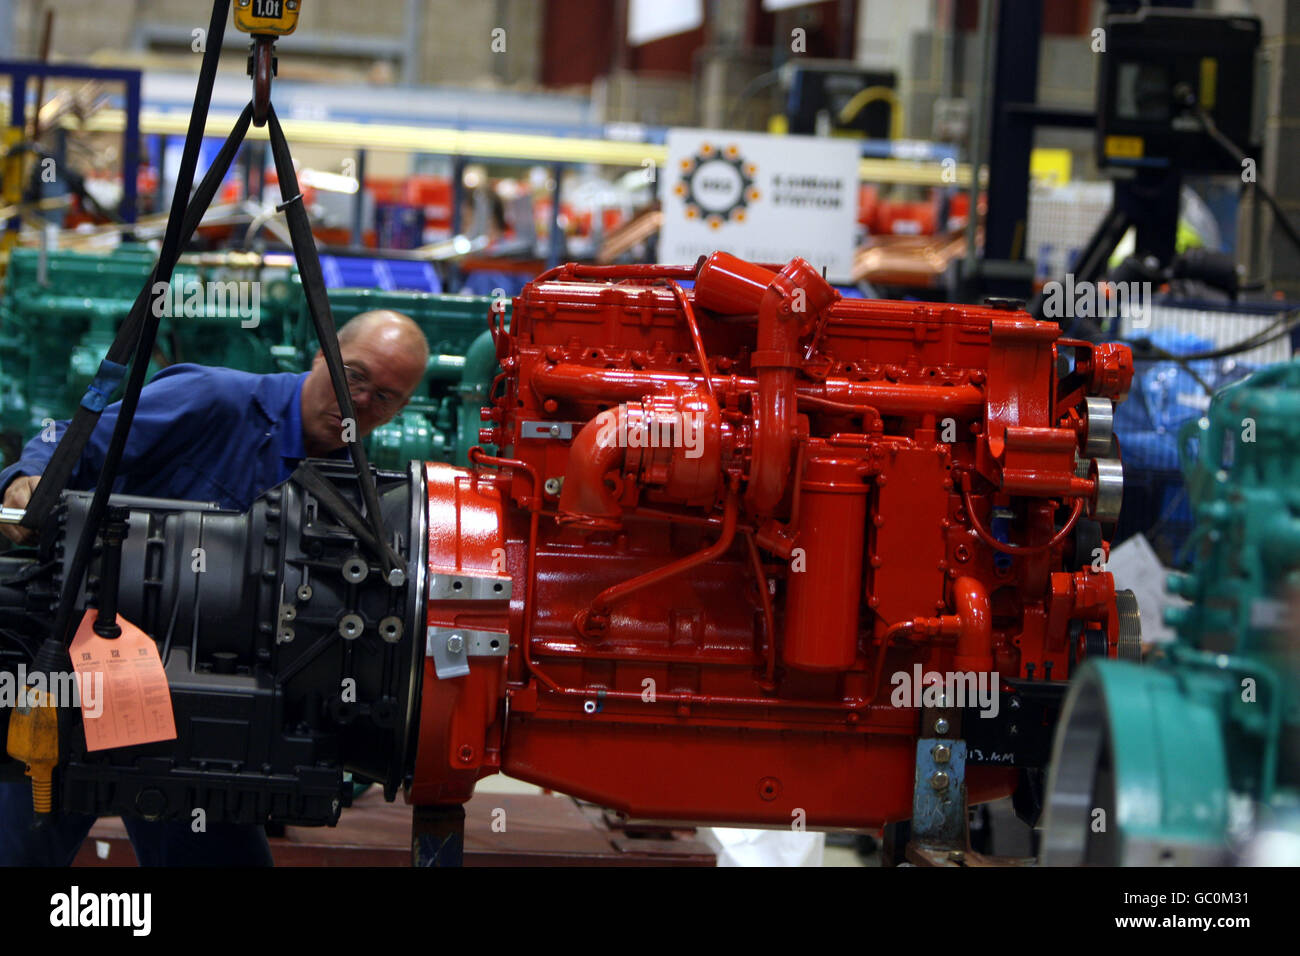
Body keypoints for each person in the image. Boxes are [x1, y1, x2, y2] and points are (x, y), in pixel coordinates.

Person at [0, 309, 429, 866]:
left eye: (387, 397)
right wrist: (26, 481)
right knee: (24, 842)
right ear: (322, 354)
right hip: (86, 652)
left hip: (191, 705)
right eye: (354, 376)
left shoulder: (349, 497)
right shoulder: (214, 398)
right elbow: (76, 439)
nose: (361, 404)